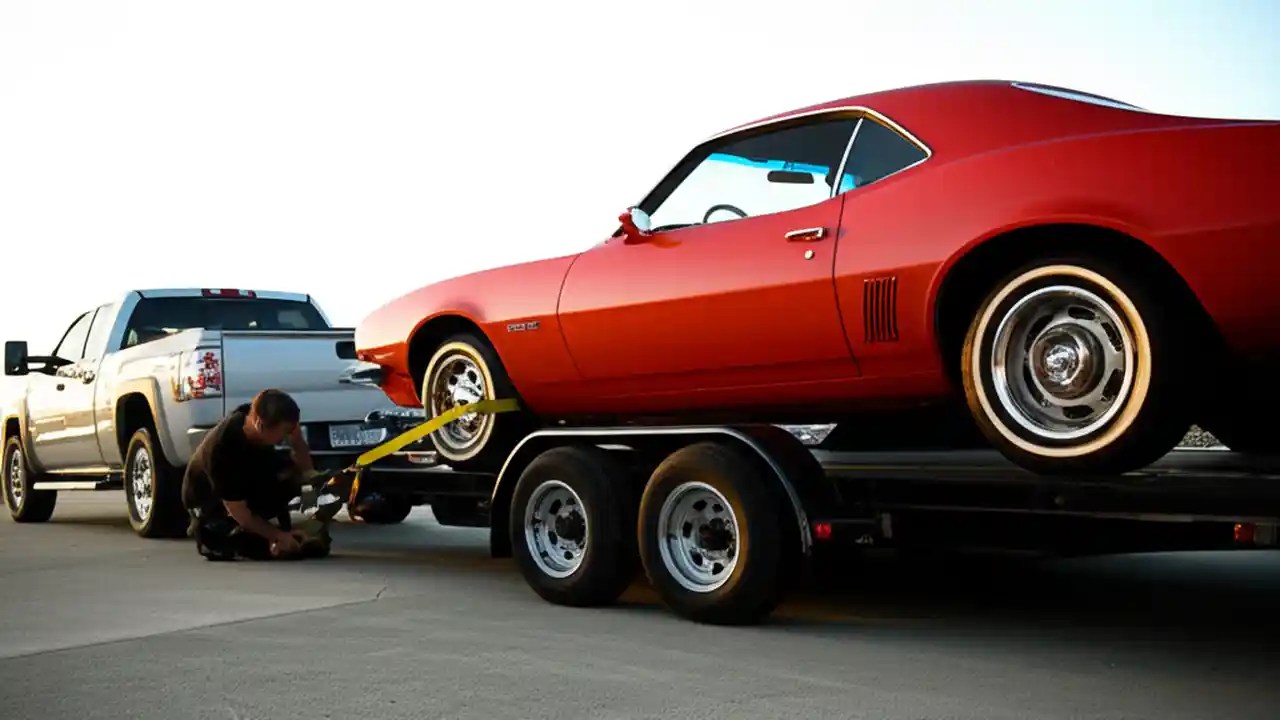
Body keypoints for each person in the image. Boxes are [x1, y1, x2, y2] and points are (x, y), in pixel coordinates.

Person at [182, 388, 338, 561]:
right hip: (213, 506)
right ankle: (223, 537)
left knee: (291, 477)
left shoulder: (258, 412)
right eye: (284, 432)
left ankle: (287, 531)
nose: (287, 436)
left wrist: (311, 480)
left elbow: (297, 444)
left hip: (249, 479)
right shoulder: (224, 449)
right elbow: (241, 513)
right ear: (260, 425)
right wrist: (277, 535)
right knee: (276, 550)